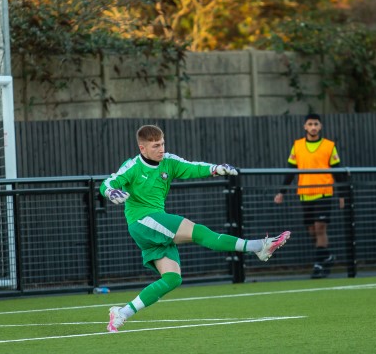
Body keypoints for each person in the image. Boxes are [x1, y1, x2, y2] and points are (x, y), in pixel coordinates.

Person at [101, 124, 290, 332]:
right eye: (155, 146)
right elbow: (109, 182)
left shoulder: (168, 161)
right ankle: (258, 246)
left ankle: (122, 313)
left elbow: (192, 167)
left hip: (154, 226)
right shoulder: (133, 166)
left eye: (162, 143)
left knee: (172, 279)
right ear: (142, 148)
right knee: (200, 233)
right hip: (142, 221)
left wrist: (214, 169)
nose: (161, 149)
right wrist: (111, 192)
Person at [273, 113, 345, 279]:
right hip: (305, 194)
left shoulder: (329, 146)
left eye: (316, 124)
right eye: (310, 124)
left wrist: (342, 195)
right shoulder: (297, 146)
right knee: (312, 231)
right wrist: (281, 192)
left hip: (324, 193)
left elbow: (339, 173)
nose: (313, 127)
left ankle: (318, 265)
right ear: (305, 127)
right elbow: (290, 171)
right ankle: (326, 257)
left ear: (320, 127)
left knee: (320, 228)